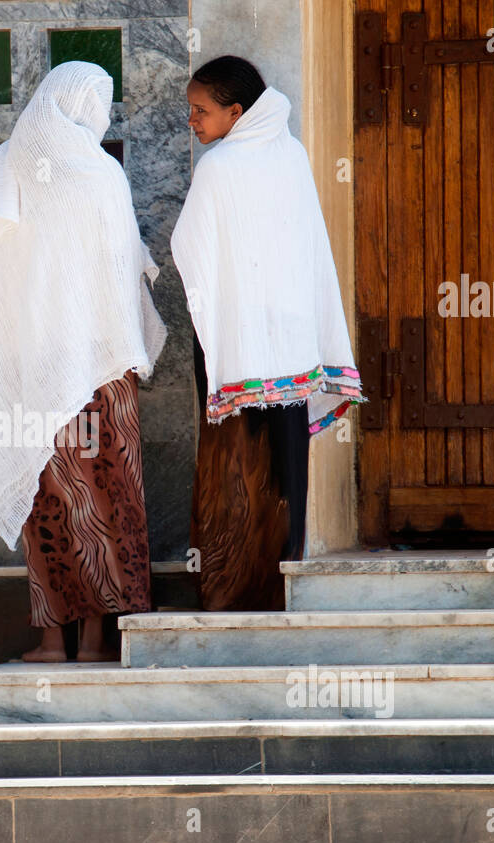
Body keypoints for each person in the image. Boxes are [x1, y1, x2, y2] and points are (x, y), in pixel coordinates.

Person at [0, 61, 167, 662]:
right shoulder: (100, 175)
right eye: (99, 106)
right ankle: (97, 637)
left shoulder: (4, 167)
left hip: (27, 368)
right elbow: (118, 268)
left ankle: (52, 638)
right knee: (102, 503)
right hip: (98, 369)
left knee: (44, 500)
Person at [171, 55, 364, 611]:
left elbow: (191, 252)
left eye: (201, 111)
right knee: (284, 467)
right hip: (291, 348)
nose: (193, 121)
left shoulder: (219, 168)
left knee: (234, 467)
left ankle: (231, 593)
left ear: (236, 111)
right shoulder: (293, 156)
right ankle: (283, 585)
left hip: (234, 349)